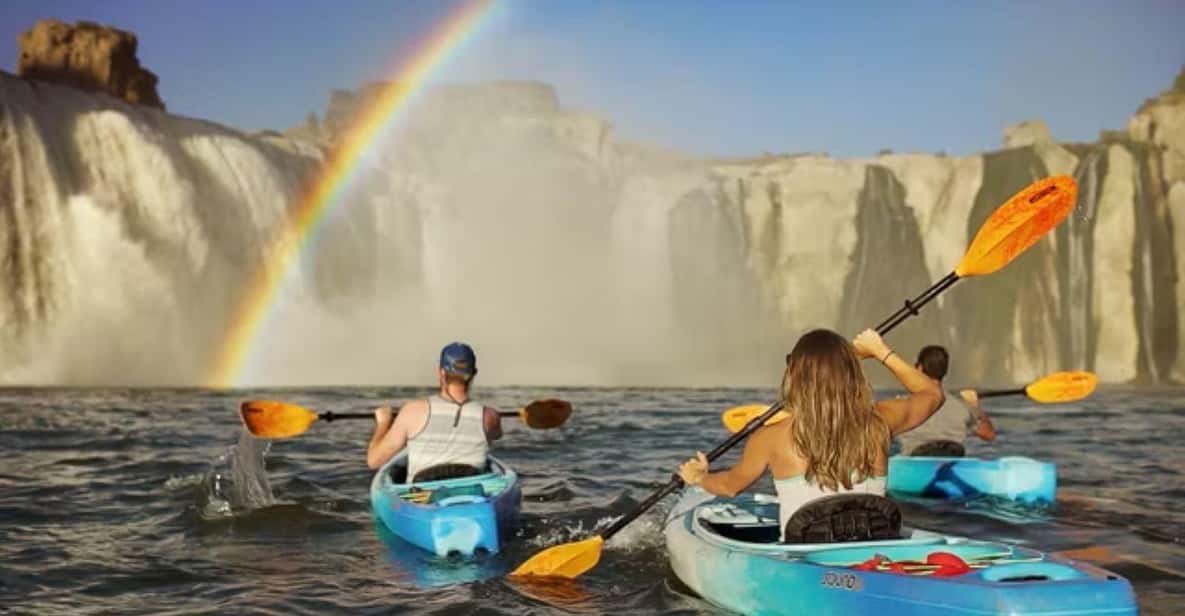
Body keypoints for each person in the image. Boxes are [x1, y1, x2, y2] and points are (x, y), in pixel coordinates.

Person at [677, 328, 944, 538]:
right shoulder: (880, 422)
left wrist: (700, 477)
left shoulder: (769, 438)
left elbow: (729, 486)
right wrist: (880, 351)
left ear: (795, 375)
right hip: (872, 550)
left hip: (803, 558)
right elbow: (932, 393)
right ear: (851, 373)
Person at [366, 342, 504, 482]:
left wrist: (383, 422)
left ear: (441, 372)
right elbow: (497, 434)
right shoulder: (490, 416)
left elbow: (374, 461)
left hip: (421, 497)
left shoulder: (412, 411)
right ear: (474, 374)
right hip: (472, 496)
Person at [894, 345, 996, 457]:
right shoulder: (962, 406)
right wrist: (976, 407)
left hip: (915, 463)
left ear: (919, 368)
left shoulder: (900, 405)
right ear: (945, 371)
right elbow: (989, 435)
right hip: (952, 458)